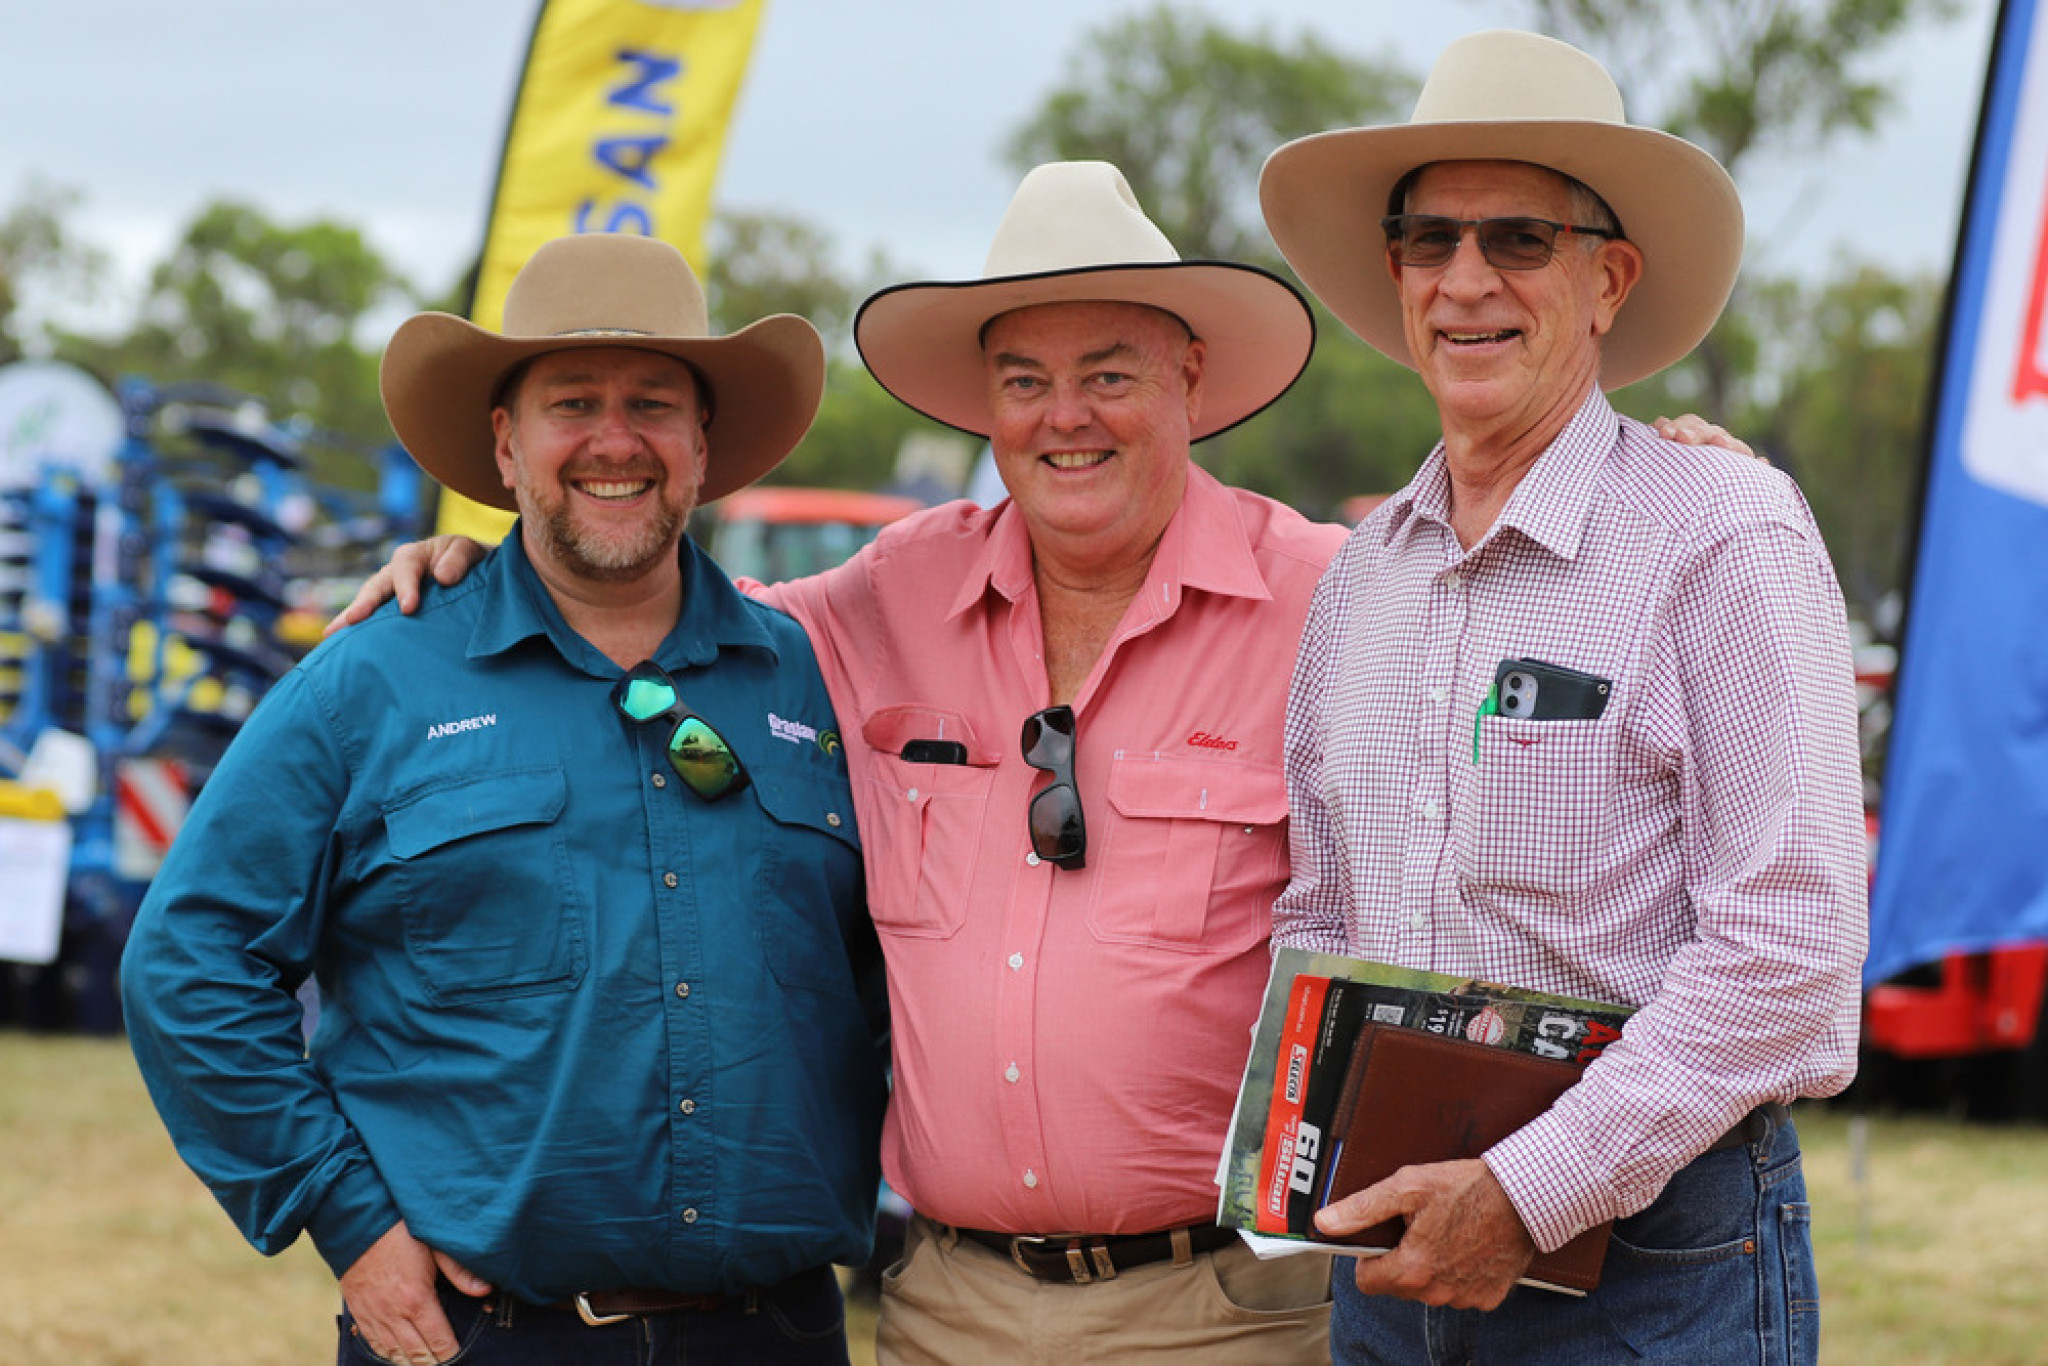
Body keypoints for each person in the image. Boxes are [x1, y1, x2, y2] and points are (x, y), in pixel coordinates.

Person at [337, 163, 1749, 1365]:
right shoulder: (877, 602)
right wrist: (486, 574)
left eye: (1109, 374)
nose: (1064, 415)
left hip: (1233, 1311)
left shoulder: (1344, 597)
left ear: (1191, 383)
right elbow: (636, 629)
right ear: (985, 406)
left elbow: (1549, 600)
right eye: (1025, 379)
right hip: (943, 1306)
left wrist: (1655, 481)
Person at [121, 233, 887, 1365]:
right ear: (505, 440)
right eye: (571, 401)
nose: (614, 441)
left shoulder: (820, 678)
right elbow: (188, 961)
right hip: (482, 1339)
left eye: (653, 403)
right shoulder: (372, 678)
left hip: (776, 1331)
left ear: (702, 440)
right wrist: (350, 1219)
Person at [1258, 30, 1868, 1364]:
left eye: (1520, 238)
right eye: (1429, 240)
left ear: (1609, 281)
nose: (1467, 279)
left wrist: (1528, 1192)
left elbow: (1790, 947)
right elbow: (1321, 905)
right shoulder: (1363, 573)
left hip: (1654, 1255)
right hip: (1394, 1244)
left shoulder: (1722, 535)